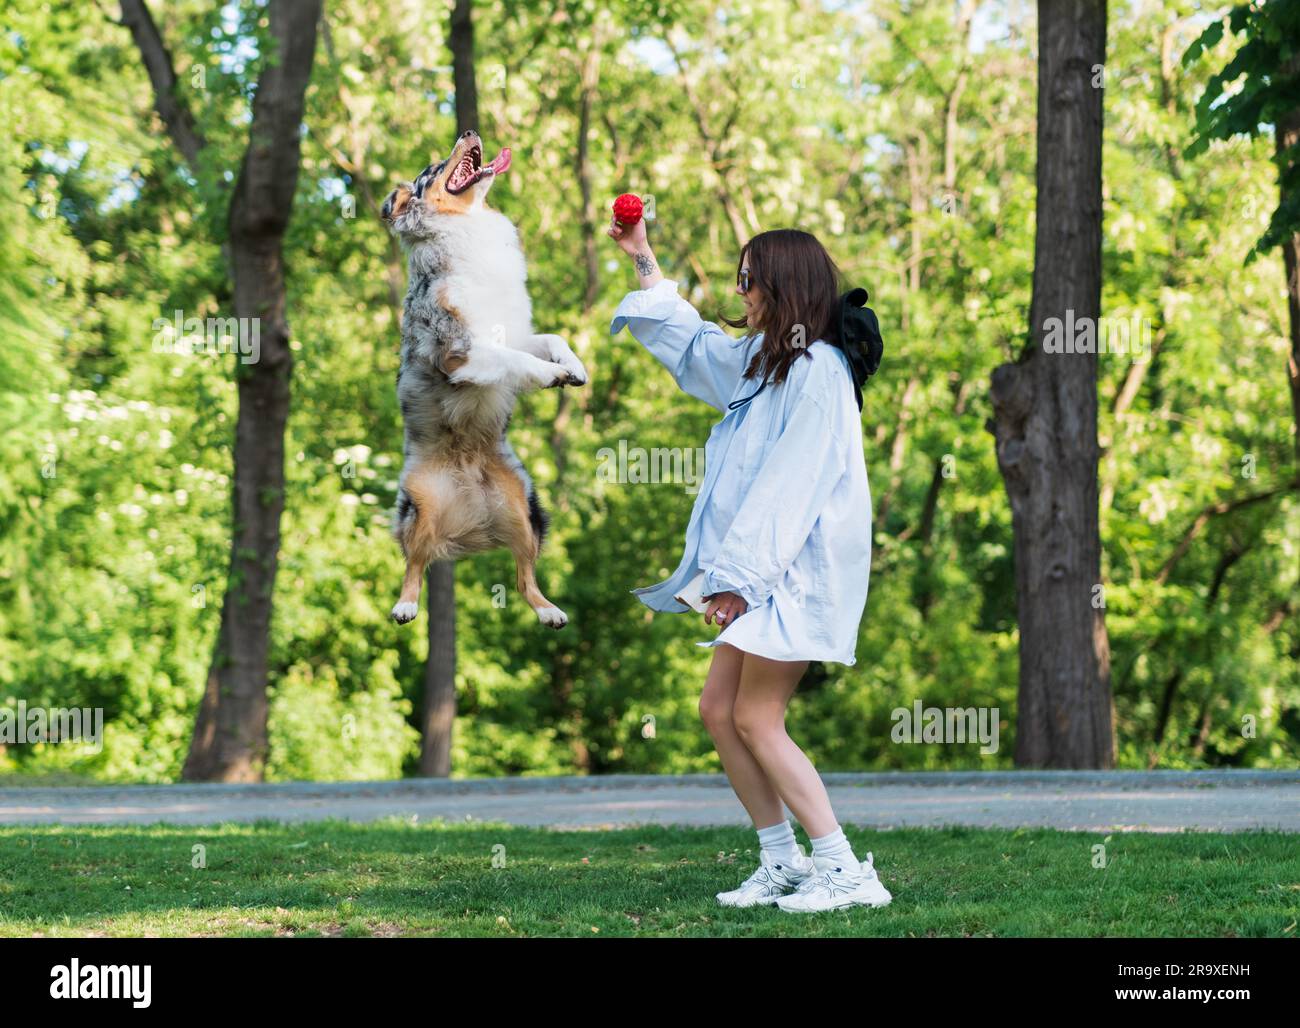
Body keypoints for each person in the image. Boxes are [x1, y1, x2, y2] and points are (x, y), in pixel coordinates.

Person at [607, 212, 891, 912]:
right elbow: (694, 344)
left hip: (795, 572)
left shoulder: (818, 371)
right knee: (717, 709)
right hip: (765, 572)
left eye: (749, 282)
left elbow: (791, 487)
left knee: (758, 717)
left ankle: (847, 873)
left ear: (782, 287)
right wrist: (643, 257)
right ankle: (782, 859)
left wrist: (736, 584)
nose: (741, 295)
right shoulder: (769, 362)